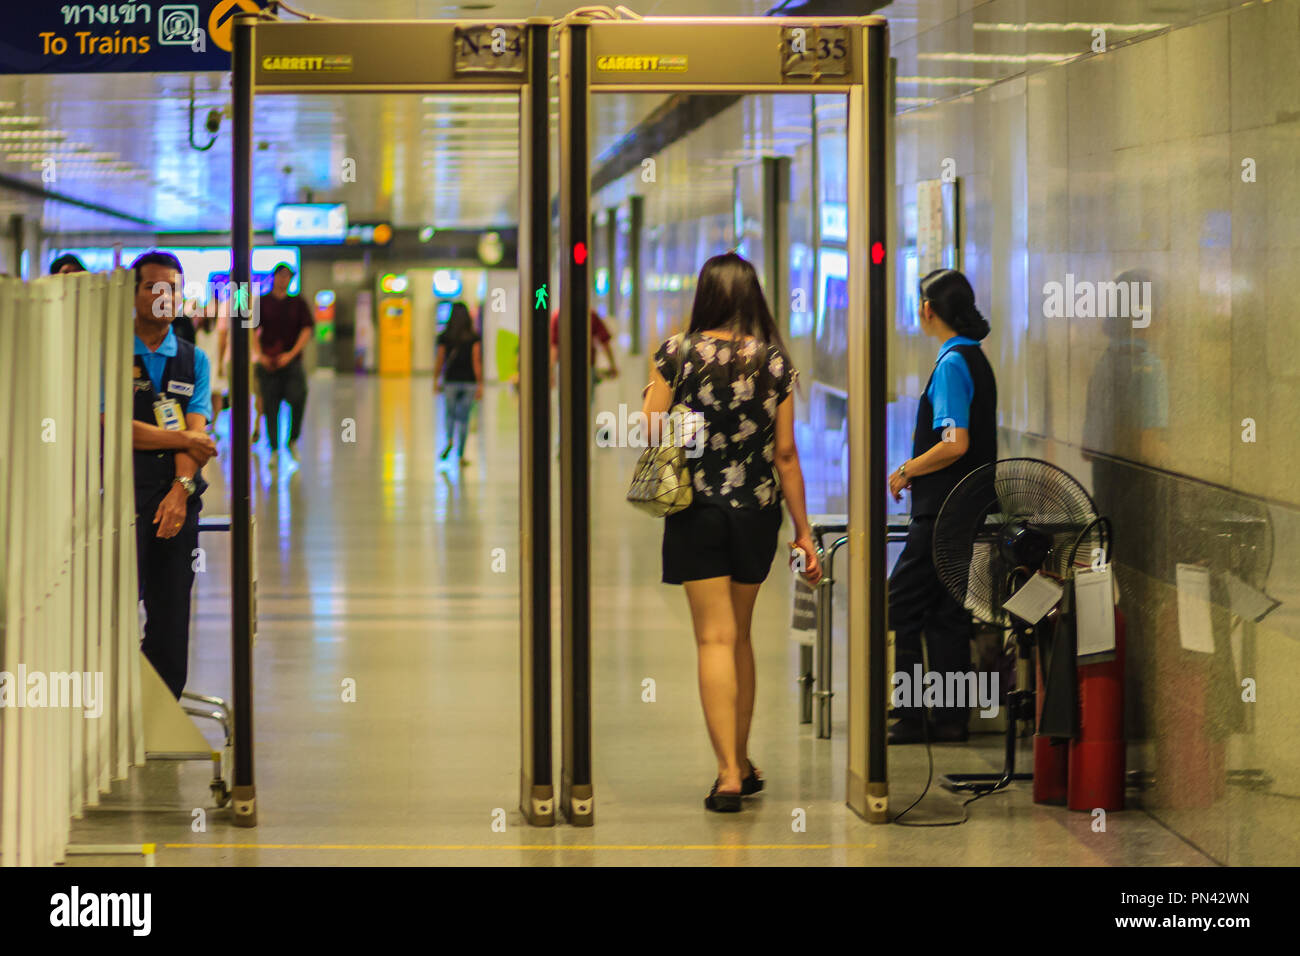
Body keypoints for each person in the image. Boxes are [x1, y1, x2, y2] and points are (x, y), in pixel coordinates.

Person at [642, 252, 822, 813]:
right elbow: (786, 453)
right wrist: (805, 532)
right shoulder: (773, 362)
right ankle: (741, 762)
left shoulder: (677, 352)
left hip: (695, 510)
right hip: (756, 510)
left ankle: (726, 775)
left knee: (713, 640)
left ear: (706, 295)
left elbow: (650, 430)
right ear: (751, 298)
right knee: (739, 636)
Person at [886, 268, 997, 744]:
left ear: (928, 310)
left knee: (900, 606)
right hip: (965, 506)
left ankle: (910, 715)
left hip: (943, 510)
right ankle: (950, 719)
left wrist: (909, 469)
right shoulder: (974, 357)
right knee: (946, 610)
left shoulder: (952, 363)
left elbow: (954, 443)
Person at [128, 251, 217, 699]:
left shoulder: (192, 359)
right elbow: (113, 430)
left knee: (170, 612)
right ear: (134, 292)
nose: (164, 296)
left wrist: (180, 493)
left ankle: (159, 709)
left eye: (173, 289)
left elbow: (197, 436)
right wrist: (182, 440)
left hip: (176, 502)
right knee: (114, 608)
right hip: (120, 498)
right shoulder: (109, 352)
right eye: (153, 287)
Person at [253, 263, 313, 464]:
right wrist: (259, 355)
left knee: (299, 396)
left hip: (292, 362)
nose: (283, 280)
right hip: (269, 362)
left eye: (287, 276)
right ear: (274, 278)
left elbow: (307, 329)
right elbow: (252, 329)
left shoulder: (298, 303)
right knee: (270, 405)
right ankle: (274, 448)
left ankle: (292, 438)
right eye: (280, 276)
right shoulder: (262, 302)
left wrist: (292, 354)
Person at [434, 301, 483, 465]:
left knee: (450, 414)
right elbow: (476, 361)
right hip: (469, 382)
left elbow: (440, 360)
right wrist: (480, 384)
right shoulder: (473, 336)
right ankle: (461, 455)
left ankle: (449, 441)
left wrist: (436, 380)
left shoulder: (445, 336)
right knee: (464, 418)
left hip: (451, 381)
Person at [193, 309, 228, 437]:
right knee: (203, 395)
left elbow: (222, 346)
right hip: (201, 365)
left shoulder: (219, 328)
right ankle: (202, 423)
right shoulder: (198, 327)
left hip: (214, 364)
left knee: (216, 395)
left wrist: (220, 366)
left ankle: (214, 423)